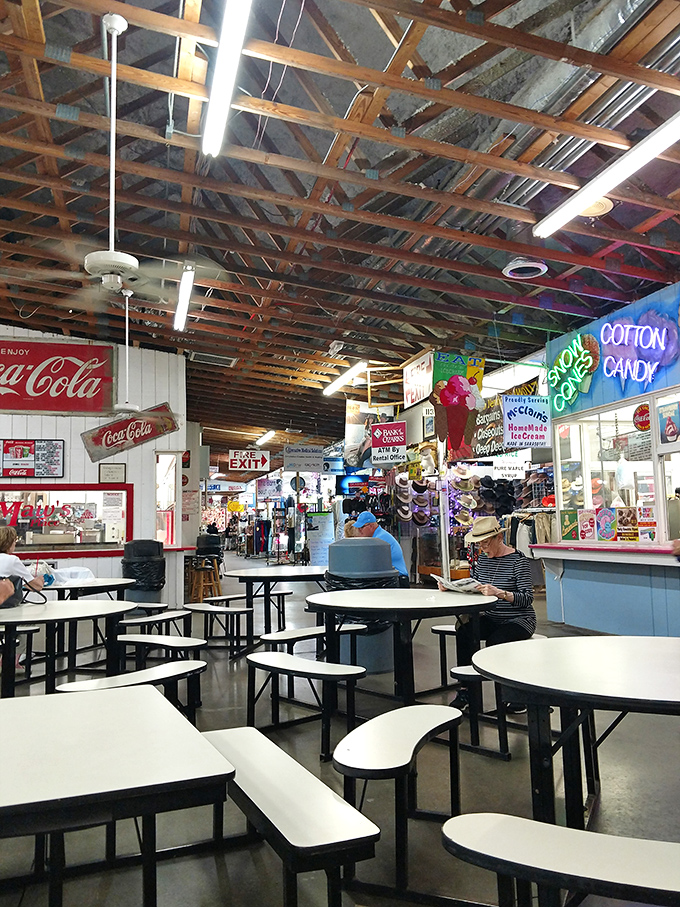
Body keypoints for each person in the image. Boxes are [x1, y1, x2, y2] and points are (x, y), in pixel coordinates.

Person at [438, 514, 535, 666]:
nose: (483, 548)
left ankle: (501, 684)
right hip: (491, 617)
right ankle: (467, 685)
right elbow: (475, 585)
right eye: (479, 544)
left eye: (486, 543)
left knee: (494, 642)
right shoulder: (483, 559)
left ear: (499, 538)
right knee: (464, 632)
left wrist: (499, 593)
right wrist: (452, 587)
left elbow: (527, 598)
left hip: (518, 620)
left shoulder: (518, 560)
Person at [353, 511, 410, 587]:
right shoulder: (378, 536)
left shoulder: (379, 540)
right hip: (391, 579)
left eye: (361, 528)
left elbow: (369, 563)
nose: (359, 531)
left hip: (397, 581)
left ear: (371, 526)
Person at [0, 527, 44, 593]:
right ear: (9, 543)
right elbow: (36, 587)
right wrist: (40, 579)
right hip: (5, 602)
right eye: (15, 541)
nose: (15, 544)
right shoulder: (12, 560)